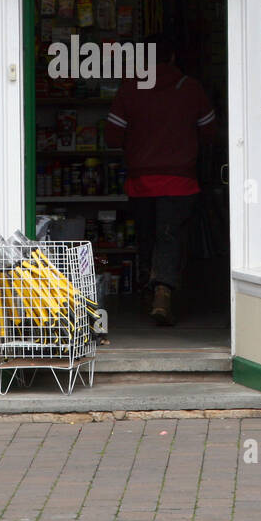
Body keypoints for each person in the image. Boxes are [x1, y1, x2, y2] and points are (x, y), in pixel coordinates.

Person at [103, 36, 216, 325]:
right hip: (181, 182)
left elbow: (112, 137)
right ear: (173, 57)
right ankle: (163, 292)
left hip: (141, 182)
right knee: (171, 236)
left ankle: (148, 289)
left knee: (147, 237)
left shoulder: (130, 89)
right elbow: (209, 133)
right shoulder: (190, 88)